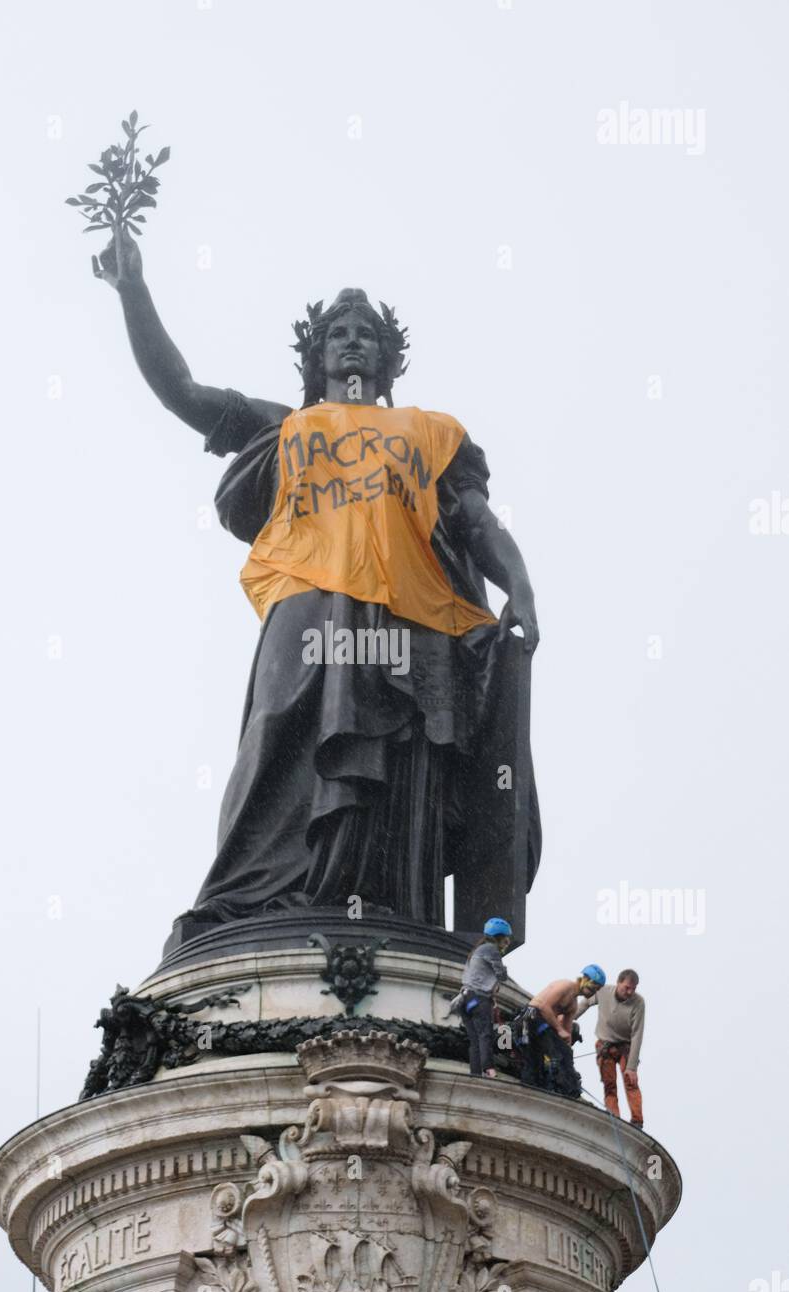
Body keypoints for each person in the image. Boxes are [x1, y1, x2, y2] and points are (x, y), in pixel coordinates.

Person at [91, 229, 541, 932]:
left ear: (389, 360)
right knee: (277, 730)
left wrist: (522, 586)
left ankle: (384, 906)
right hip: (306, 600)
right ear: (317, 354)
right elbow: (181, 392)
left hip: (412, 615)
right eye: (338, 332)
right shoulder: (287, 423)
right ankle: (246, 902)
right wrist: (133, 290)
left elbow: (478, 521)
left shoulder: (431, 432)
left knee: (397, 761)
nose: (353, 342)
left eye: (366, 334)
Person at [511, 965, 606, 1097]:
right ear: (584, 979)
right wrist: (559, 1030)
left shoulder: (573, 1005)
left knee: (543, 1061)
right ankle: (557, 1084)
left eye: (596, 990)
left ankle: (540, 1088)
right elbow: (543, 1006)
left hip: (539, 1025)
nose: (592, 991)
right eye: (592, 987)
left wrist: (568, 1052)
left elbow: (566, 1033)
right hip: (530, 1018)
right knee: (551, 1056)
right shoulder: (565, 986)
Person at [576, 968, 645, 1127]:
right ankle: (614, 1119)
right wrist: (566, 1020)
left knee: (630, 1082)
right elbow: (585, 1003)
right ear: (618, 983)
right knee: (609, 1085)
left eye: (633, 989)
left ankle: (637, 1121)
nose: (629, 992)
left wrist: (632, 1067)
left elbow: (637, 1034)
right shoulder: (604, 992)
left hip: (625, 1048)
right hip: (605, 1046)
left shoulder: (638, 1003)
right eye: (626, 987)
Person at [458, 918, 513, 1078]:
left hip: (465, 999)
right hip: (479, 999)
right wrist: (503, 969)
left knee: (475, 1040)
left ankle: (475, 1073)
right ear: (499, 937)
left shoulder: (477, 950)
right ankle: (489, 1069)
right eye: (506, 939)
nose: (507, 942)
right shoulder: (491, 949)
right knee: (485, 1035)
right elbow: (502, 976)